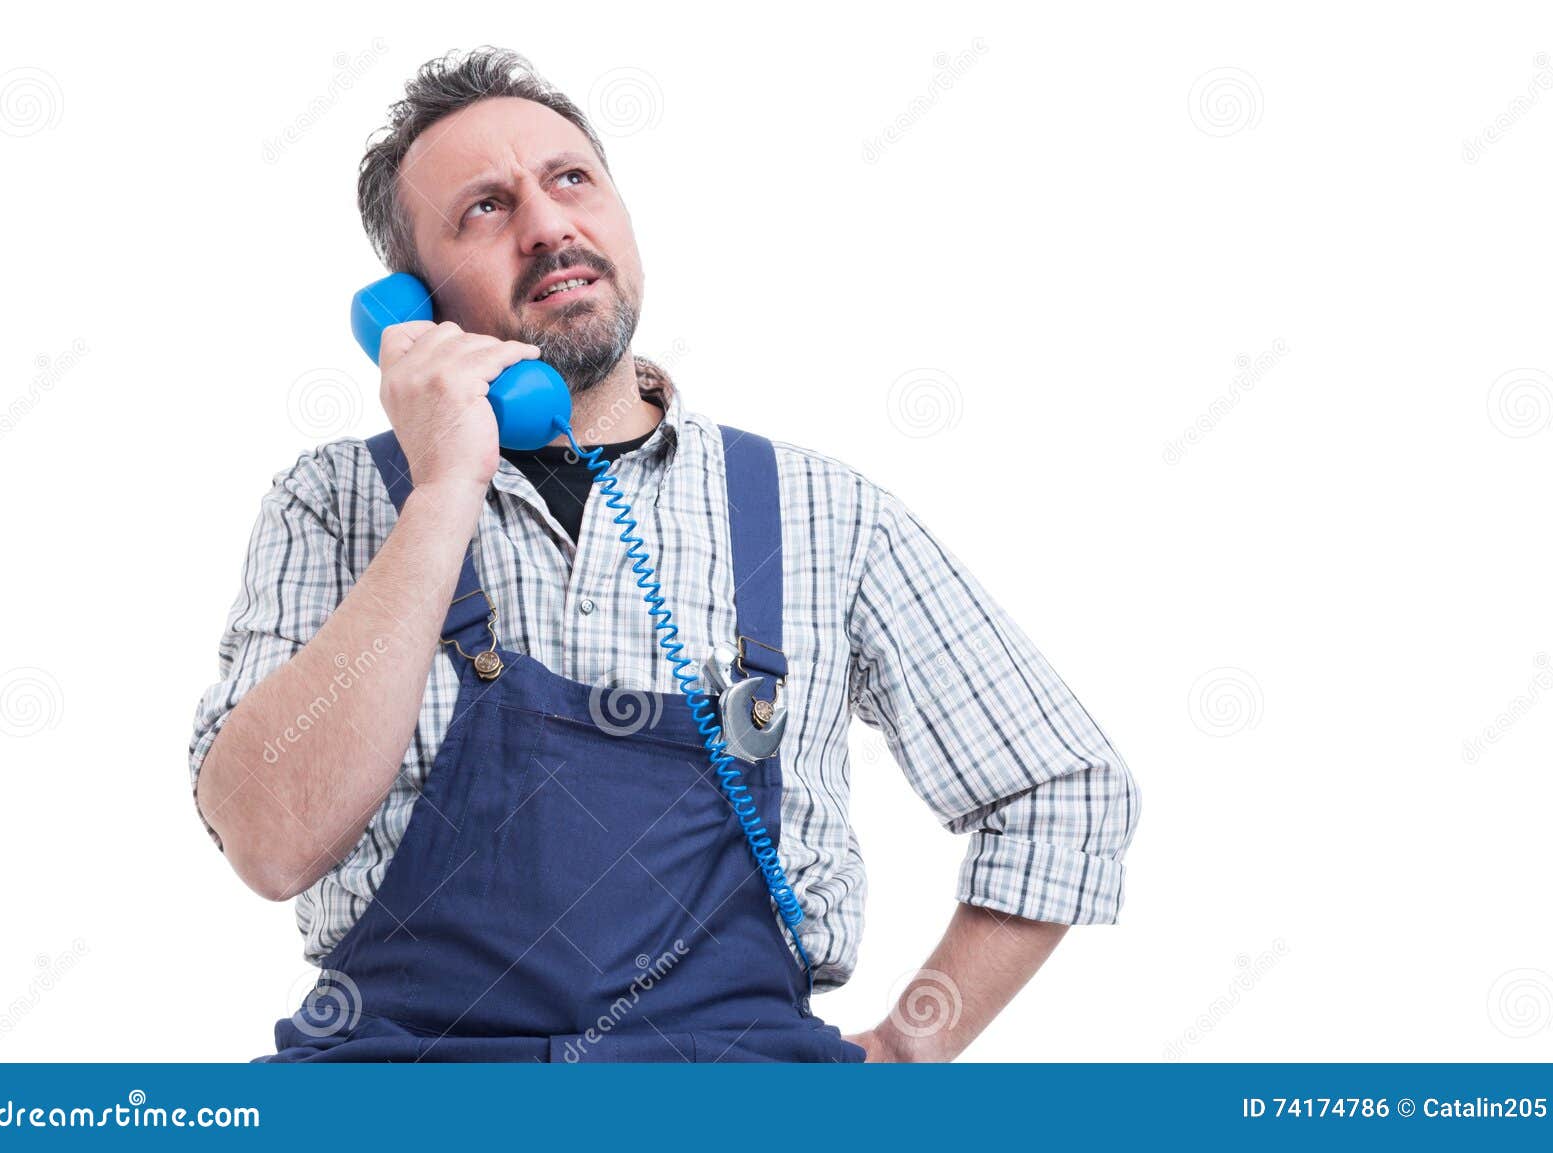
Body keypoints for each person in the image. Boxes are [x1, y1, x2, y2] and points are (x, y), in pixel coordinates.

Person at [188, 46, 1142, 1062]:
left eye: (570, 180)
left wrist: (907, 1054)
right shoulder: (332, 502)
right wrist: (441, 490)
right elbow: (270, 839)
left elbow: (1064, 787)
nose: (549, 224)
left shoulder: (818, 512)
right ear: (410, 308)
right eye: (485, 207)